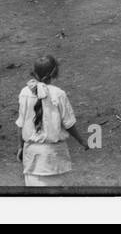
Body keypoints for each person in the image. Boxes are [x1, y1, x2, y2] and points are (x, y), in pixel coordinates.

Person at [15, 55, 88, 186]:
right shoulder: (58, 94)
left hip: (31, 156)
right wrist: (82, 141)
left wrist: (20, 147)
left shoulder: (24, 93)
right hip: (53, 157)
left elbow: (21, 124)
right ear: (54, 73)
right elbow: (69, 124)